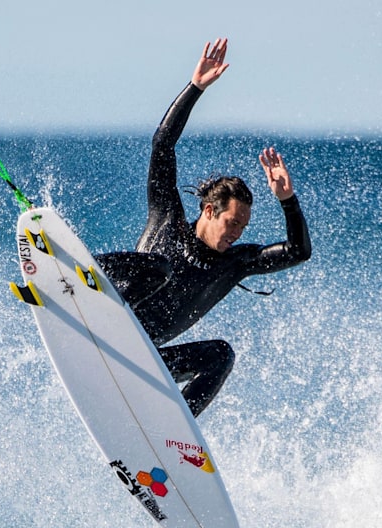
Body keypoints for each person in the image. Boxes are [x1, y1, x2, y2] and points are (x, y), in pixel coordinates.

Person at [98, 37, 312, 417]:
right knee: (158, 267)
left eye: (244, 227)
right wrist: (195, 88)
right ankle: (71, 273)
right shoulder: (168, 218)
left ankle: (172, 429)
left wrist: (287, 200)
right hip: (104, 322)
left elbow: (298, 252)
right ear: (210, 211)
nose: (238, 234)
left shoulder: (235, 264)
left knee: (220, 354)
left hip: (144, 361)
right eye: (232, 222)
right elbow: (163, 144)